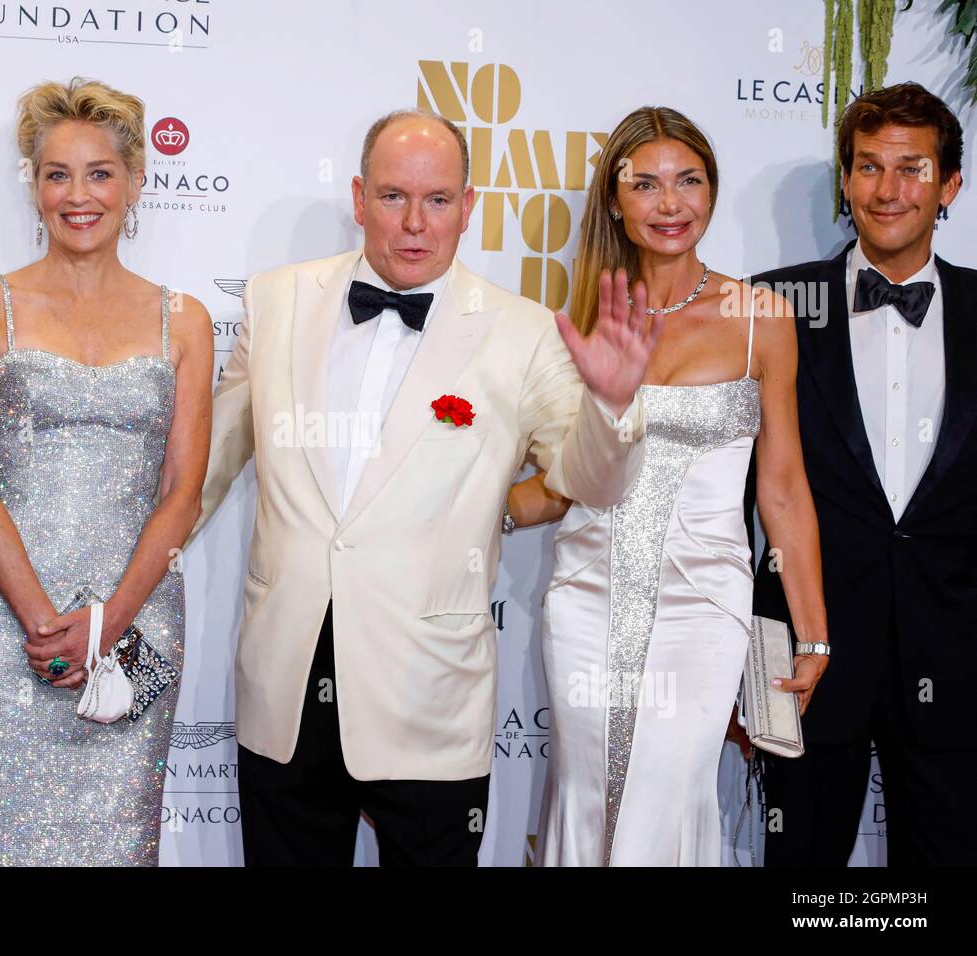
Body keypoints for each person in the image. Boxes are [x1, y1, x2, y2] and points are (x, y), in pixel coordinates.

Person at [191, 109, 657, 867]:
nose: (415, 223)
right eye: (392, 197)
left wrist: (610, 409)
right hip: (286, 679)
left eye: (438, 200)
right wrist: (124, 574)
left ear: (469, 206)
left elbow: (594, 483)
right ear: (357, 197)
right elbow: (207, 467)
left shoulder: (522, 331)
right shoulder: (276, 300)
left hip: (429, 693)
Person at [513, 107, 828, 866]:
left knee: (664, 795)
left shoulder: (763, 318)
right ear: (615, 201)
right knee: (588, 795)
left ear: (712, 193)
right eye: (646, 184)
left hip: (703, 609)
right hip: (587, 598)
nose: (670, 203)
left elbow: (781, 486)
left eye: (689, 181)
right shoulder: (570, 321)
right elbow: (557, 485)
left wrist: (812, 632)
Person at [0, 78, 212, 866]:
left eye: (99, 172)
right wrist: (41, 620)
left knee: (120, 839)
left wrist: (105, 623)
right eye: (57, 174)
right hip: (3, 619)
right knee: (1, 837)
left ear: (134, 183)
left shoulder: (185, 320)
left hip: (138, 617)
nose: (79, 195)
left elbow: (182, 495)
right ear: (32, 186)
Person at [750, 82, 977, 866]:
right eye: (869, 167)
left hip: (954, 652)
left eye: (913, 169)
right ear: (845, 181)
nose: (889, 190)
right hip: (806, 653)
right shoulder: (774, 303)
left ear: (949, 185)